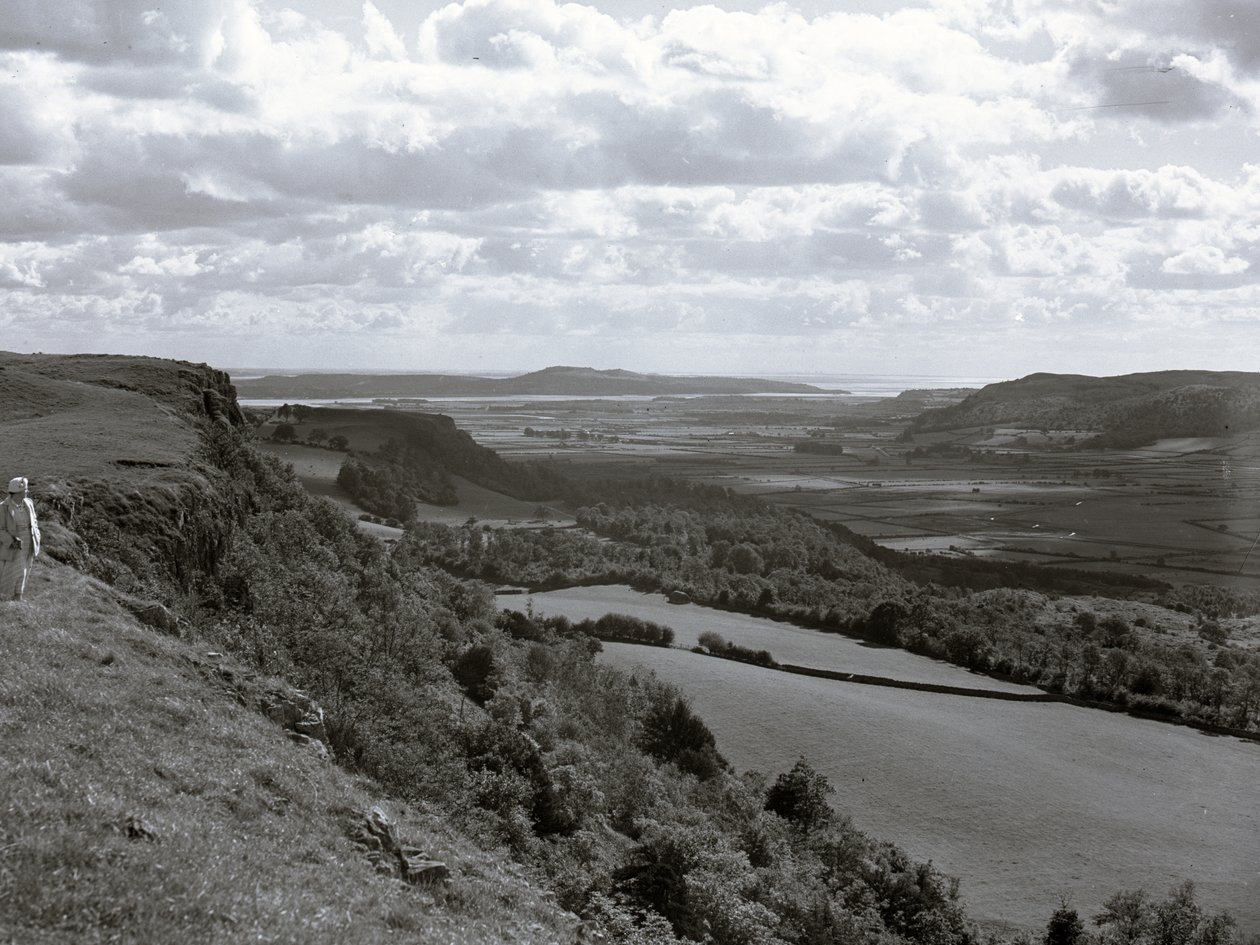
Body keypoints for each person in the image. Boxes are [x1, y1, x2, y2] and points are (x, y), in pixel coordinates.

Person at [0, 477, 41, 601]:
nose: (27, 492)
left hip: (29, 541)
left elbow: (34, 521)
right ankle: (5, 598)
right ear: (18, 492)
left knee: (25, 568)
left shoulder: (28, 503)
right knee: (13, 571)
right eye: (25, 490)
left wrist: (37, 534)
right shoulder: (3, 508)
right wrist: (11, 540)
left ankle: (18, 597)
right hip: (14, 544)